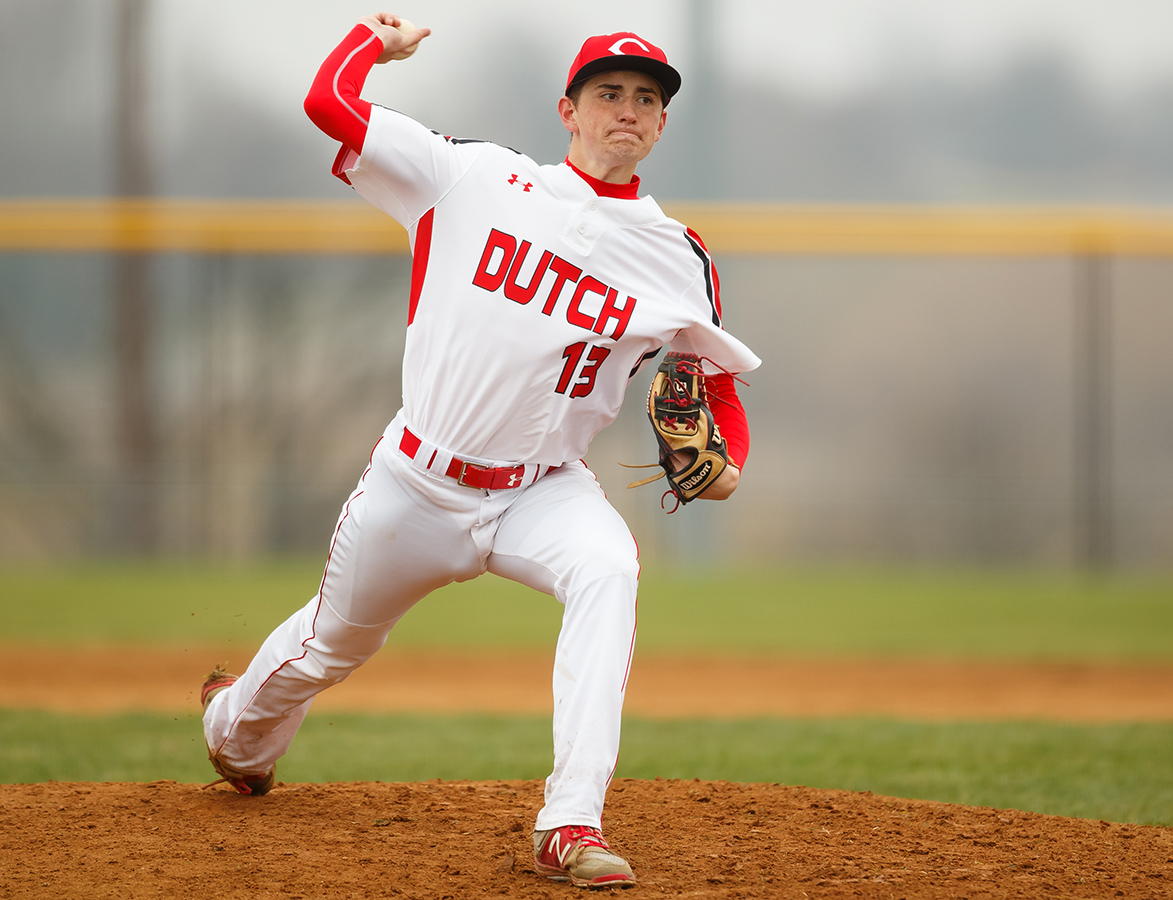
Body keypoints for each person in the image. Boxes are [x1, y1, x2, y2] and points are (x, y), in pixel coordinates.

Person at [200, 13, 758, 888]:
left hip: (544, 491)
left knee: (608, 570)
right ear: (567, 109)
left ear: (661, 125)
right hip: (417, 483)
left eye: (646, 99)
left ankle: (570, 823)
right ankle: (235, 729)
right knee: (327, 650)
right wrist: (368, 44)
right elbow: (329, 104)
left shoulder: (677, 256)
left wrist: (728, 469)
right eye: (608, 92)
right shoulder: (474, 177)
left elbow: (714, 384)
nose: (628, 109)